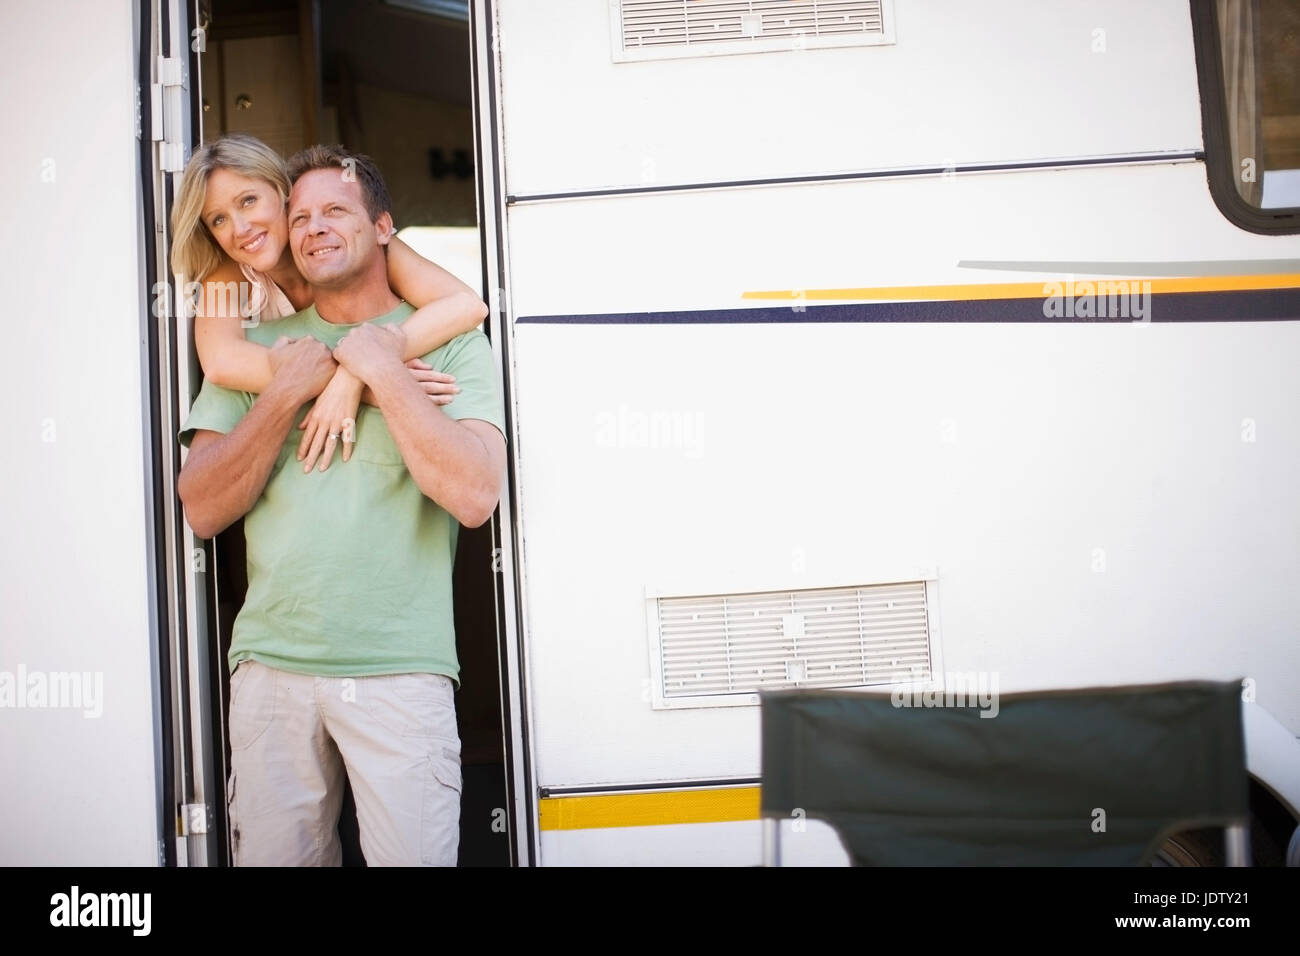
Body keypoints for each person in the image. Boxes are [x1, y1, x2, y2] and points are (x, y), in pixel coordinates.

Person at [176, 144, 507, 867]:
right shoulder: (245, 326)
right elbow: (200, 509)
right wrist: (294, 387)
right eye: (303, 215)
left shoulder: (447, 345)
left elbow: (476, 496)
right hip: (271, 672)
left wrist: (373, 371)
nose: (312, 226)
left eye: (335, 210)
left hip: (402, 670)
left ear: (384, 226)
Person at [171, 132, 488, 471]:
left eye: (248, 201)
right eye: (218, 219)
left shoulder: (356, 245)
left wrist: (357, 373)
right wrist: (363, 382)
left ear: (284, 194)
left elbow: (467, 304)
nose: (241, 227)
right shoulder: (228, 275)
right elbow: (221, 362)